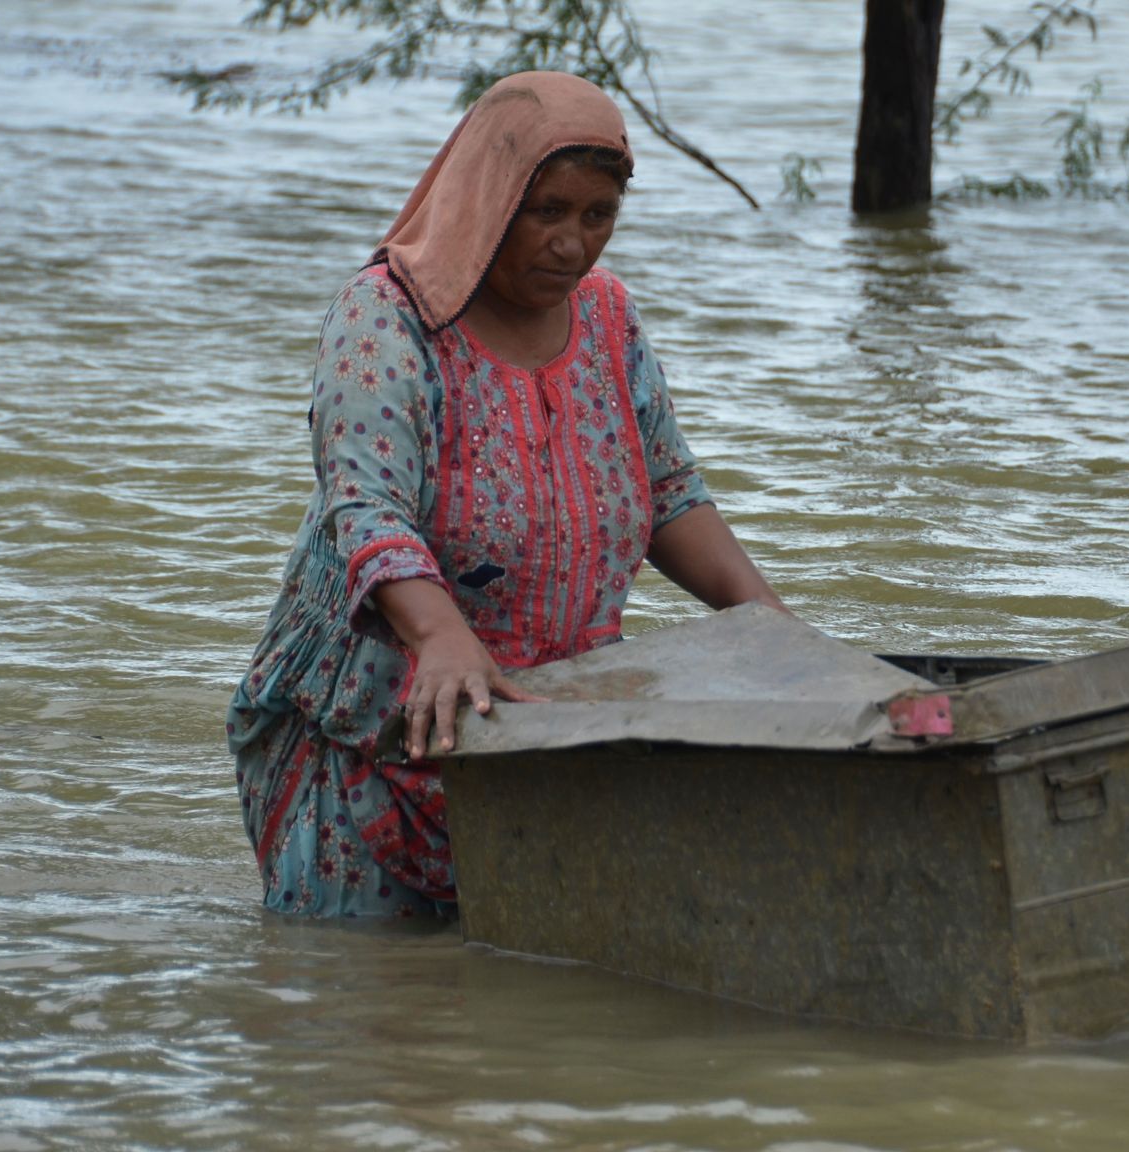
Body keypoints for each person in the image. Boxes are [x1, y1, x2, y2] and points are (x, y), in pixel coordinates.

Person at [226, 72, 783, 918]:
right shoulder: (387, 317)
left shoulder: (608, 318)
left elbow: (667, 489)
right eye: (548, 212)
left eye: (599, 216)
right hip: (368, 736)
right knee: (359, 1006)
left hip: (539, 742)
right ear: (490, 197)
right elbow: (366, 509)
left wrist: (769, 627)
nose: (573, 245)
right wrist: (443, 639)